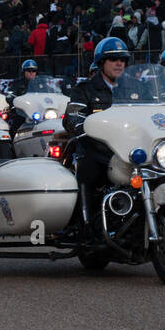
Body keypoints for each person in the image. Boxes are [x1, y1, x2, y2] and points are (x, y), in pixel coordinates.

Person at [67, 37, 131, 227]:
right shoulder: (85, 89)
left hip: (129, 151)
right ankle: (86, 222)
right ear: (101, 62)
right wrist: (79, 125)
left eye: (123, 59)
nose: (119, 63)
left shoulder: (134, 90)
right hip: (96, 151)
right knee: (88, 173)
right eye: (113, 59)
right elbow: (72, 116)